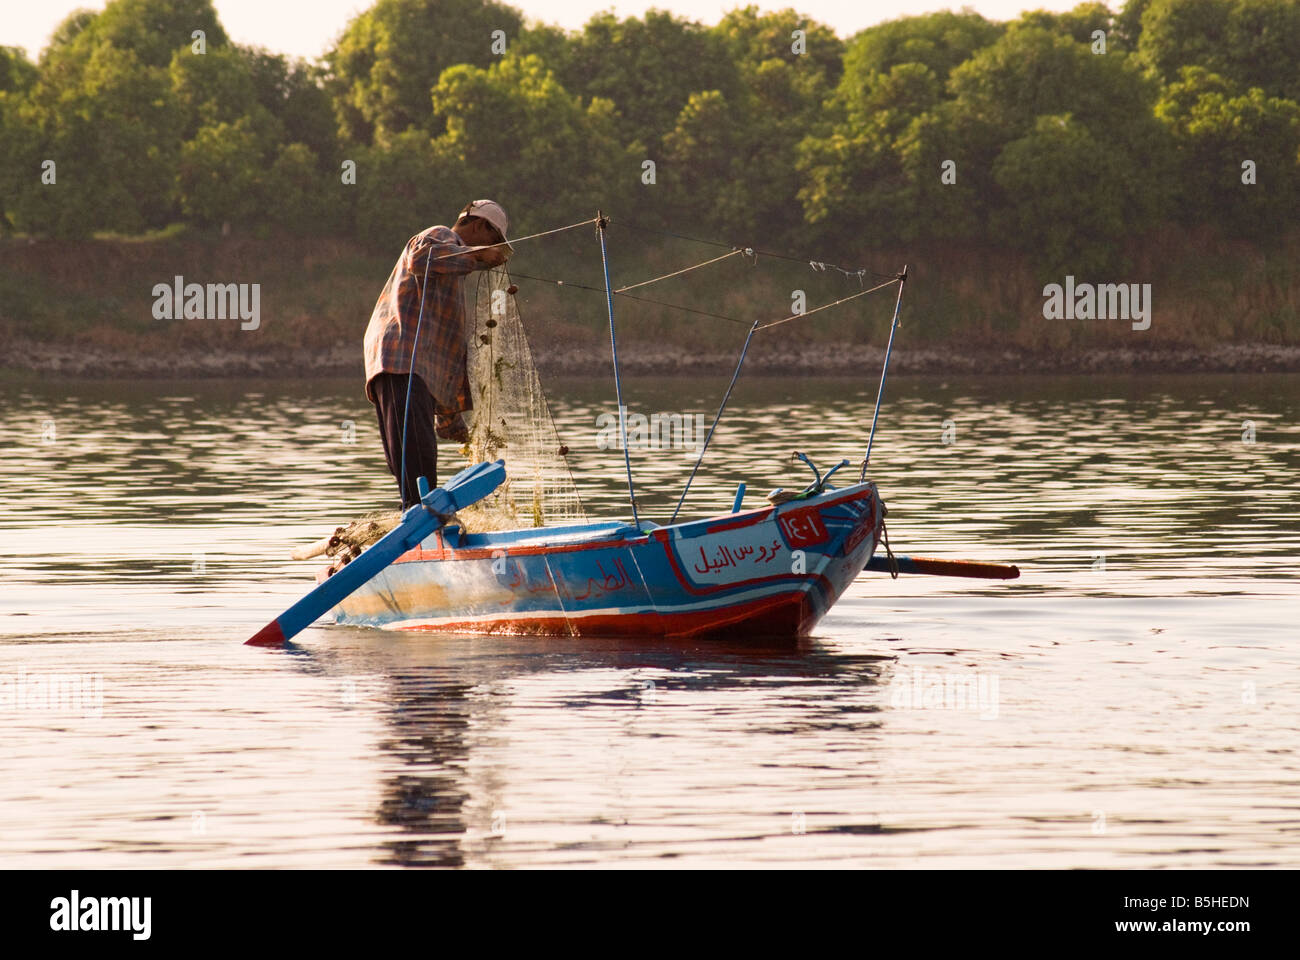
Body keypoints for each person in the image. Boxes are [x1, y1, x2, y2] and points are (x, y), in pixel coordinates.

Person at [363, 200, 512, 507]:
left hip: (413, 371)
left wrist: (451, 419)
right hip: (400, 359)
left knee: (417, 454)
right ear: (480, 226)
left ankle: (419, 518)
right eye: (494, 241)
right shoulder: (441, 235)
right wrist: (477, 254)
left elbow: (447, 359)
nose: (492, 251)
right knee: (414, 457)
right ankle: (420, 523)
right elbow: (421, 259)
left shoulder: (451, 287)